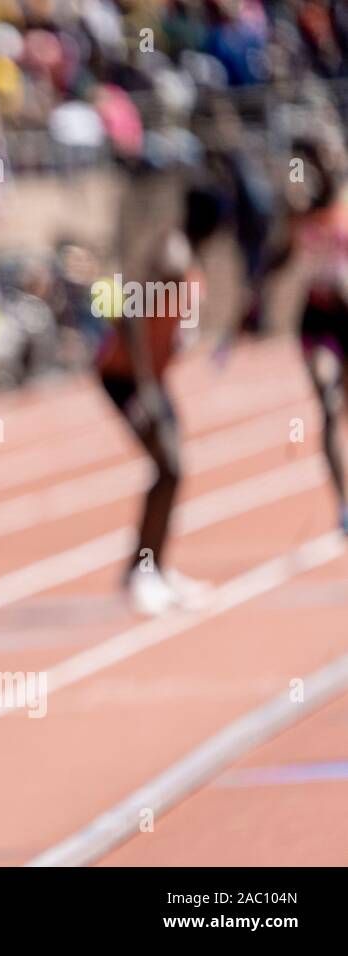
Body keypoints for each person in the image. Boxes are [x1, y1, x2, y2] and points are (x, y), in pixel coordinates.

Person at [93, 167, 220, 616]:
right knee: (168, 466)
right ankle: (141, 572)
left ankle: (154, 568)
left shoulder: (188, 253)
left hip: (149, 377)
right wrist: (146, 388)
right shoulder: (172, 254)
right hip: (125, 376)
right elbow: (130, 313)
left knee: (172, 468)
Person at [245, 136, 348, 534]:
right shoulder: (298, 213)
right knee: (326, 399)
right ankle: (343, 505)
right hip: (318, 318)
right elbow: (281, 256)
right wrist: (254, 295)